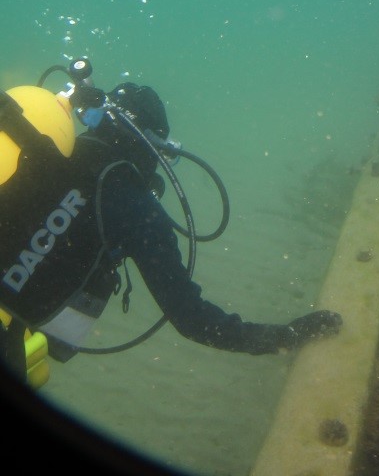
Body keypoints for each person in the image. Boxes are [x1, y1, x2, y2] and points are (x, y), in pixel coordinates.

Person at [0, 78, 342, 384]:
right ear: (151, 147)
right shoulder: (135, 208)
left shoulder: (46, 152)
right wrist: (284, 336)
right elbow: (192, 320)